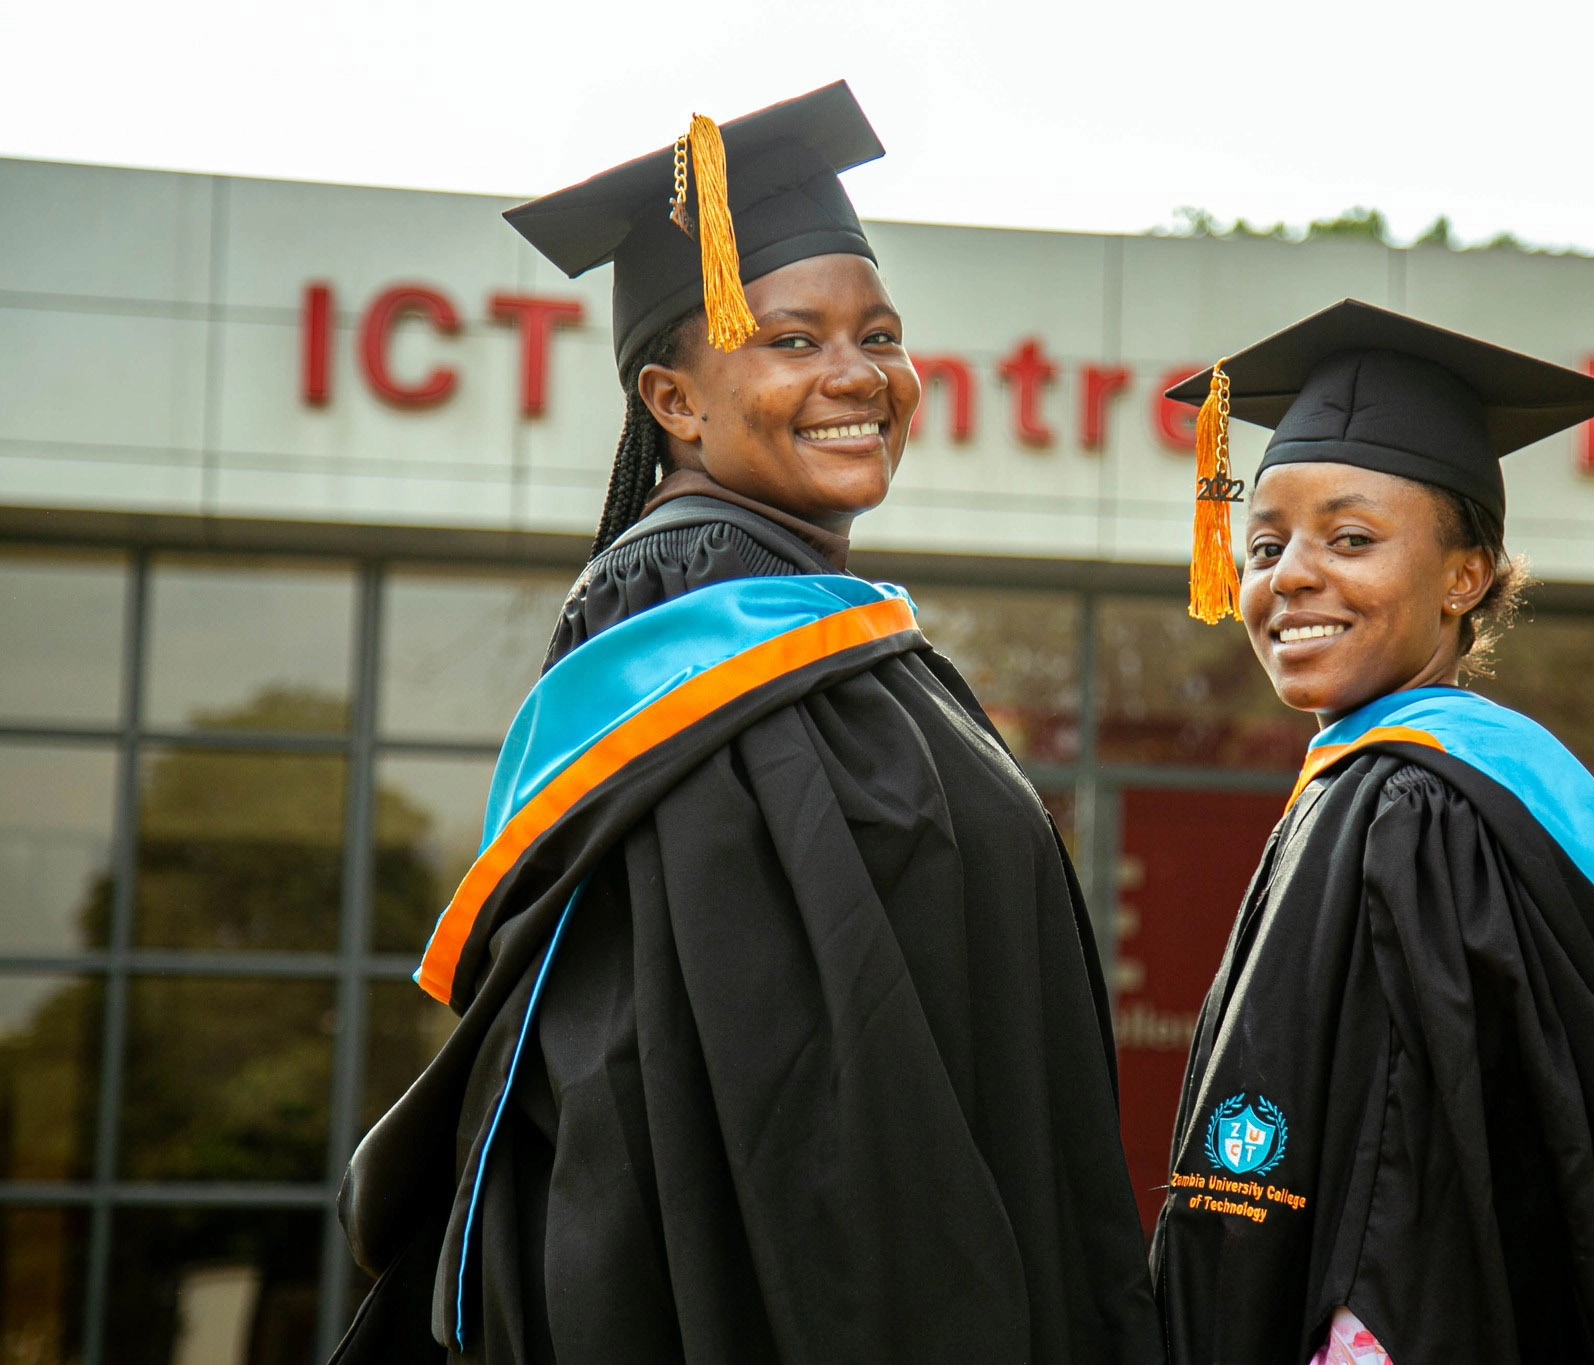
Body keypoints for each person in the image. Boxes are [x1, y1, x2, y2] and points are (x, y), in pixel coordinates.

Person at [333, 83, 1161, 1365]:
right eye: (791, 339)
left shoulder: (819, 622)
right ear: (671, 400)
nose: (856, 375)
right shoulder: (693, 612)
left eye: (878, 335)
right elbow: (765, 1068)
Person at [1147, 299, 1594, 1365]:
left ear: (1464, 575)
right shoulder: (1514, 794)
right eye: (1263, 543)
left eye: (1349, 539)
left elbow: (1408, 1175)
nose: (1288, 575)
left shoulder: (1412, 810)